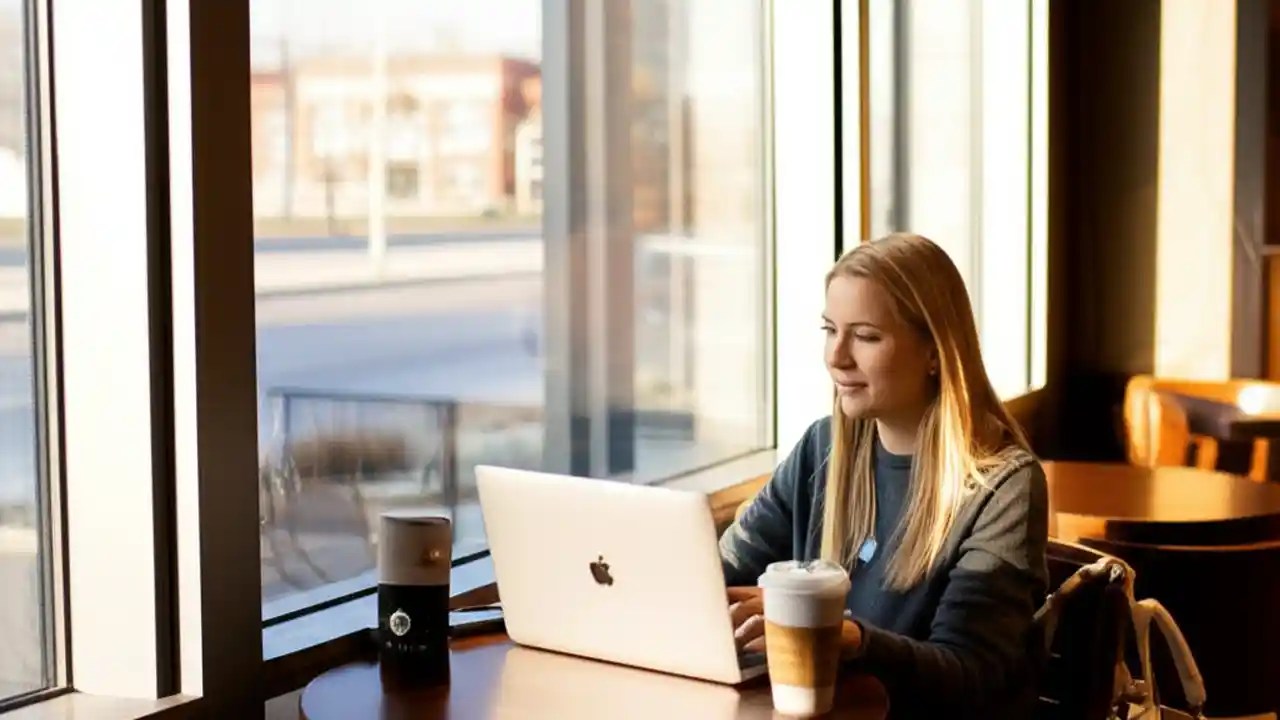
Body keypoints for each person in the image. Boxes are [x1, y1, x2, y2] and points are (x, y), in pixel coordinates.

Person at [720, 233, 1049, 718]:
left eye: (867, 336)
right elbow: (721, 576)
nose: (837, 356)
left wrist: (847, 638)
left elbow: (971, 674)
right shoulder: (822, 448)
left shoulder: (1004, 487)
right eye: (830, 330)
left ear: (935, 352)